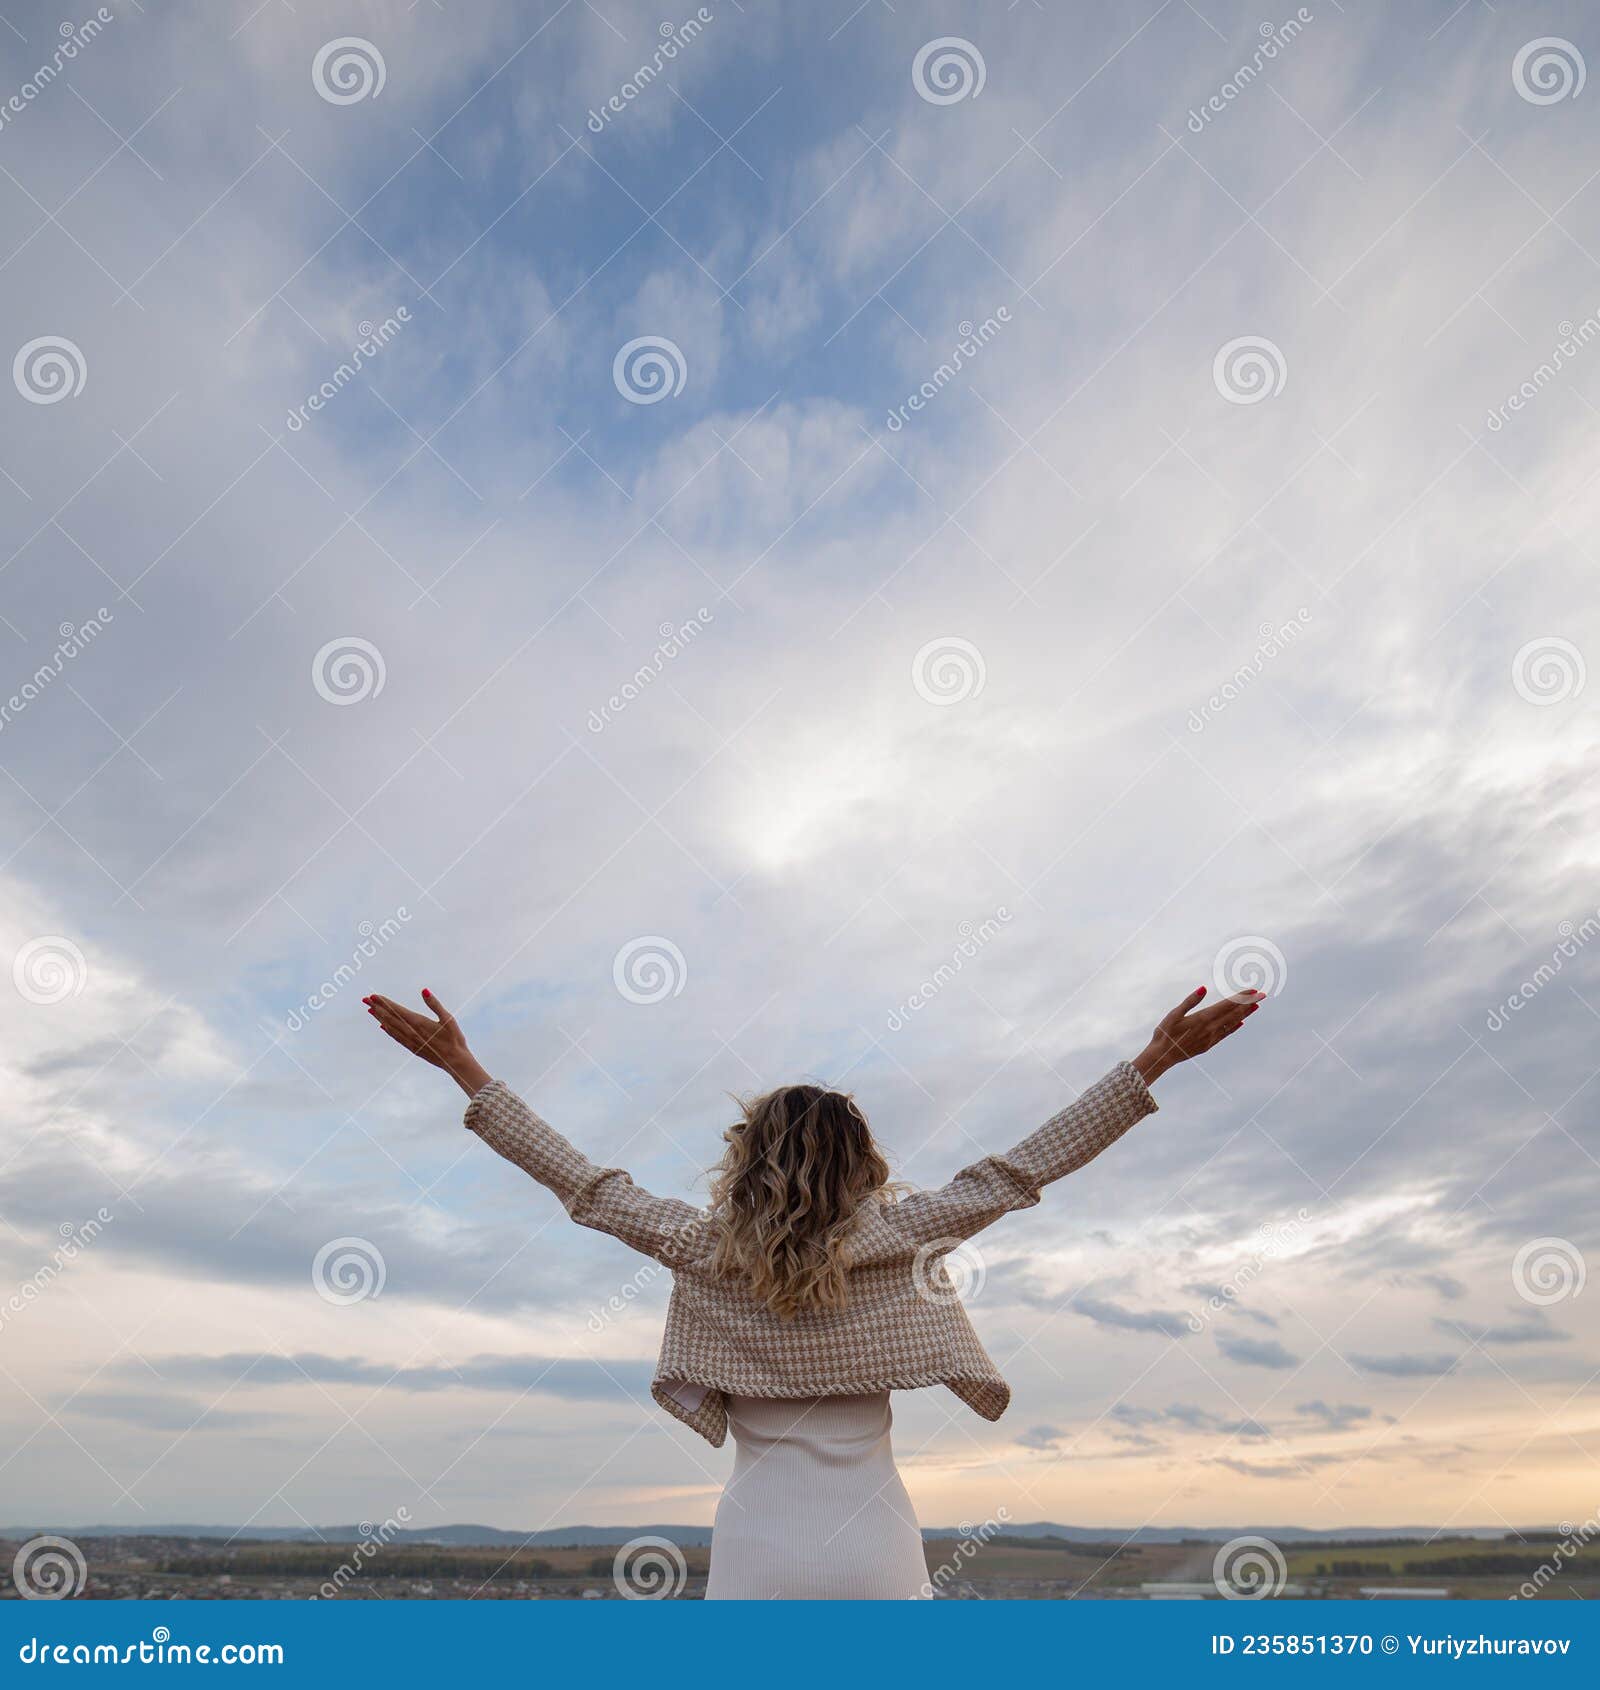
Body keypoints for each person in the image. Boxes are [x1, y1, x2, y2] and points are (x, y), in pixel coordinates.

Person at [364, 982, 1263, 1599]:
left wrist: (466, 1071)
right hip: (878, 1552)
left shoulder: (700, 1248)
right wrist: (1150, 1064)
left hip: (757, 1554)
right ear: (862, 1165)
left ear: (743, 1163)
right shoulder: (901, 1237)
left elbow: (584, 1185)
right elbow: (1020, 1171)